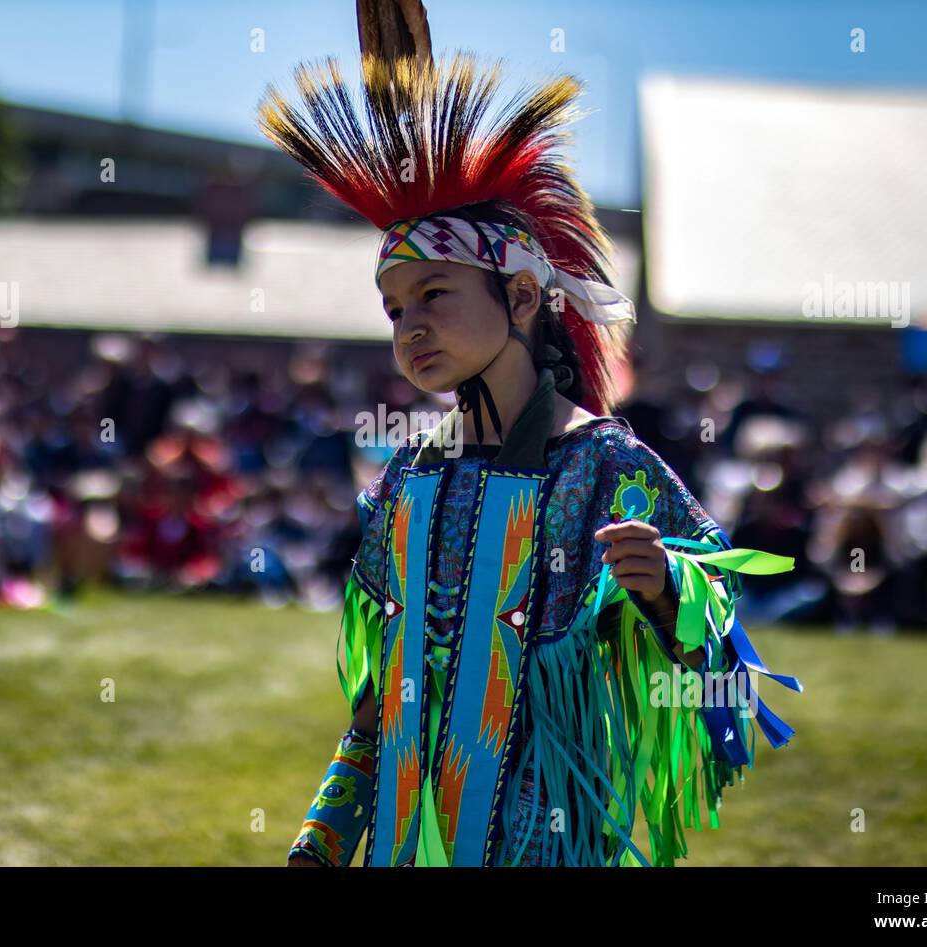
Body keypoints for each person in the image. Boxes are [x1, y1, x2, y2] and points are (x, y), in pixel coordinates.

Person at [260, 51, 803, 867]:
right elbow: (381, 703)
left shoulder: (605, 468)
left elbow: (722, 675)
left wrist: (668, 591)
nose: (408, 326)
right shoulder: (410, 477)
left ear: (520, 297)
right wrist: (322, 837)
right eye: (394, 307)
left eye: (435, 294)